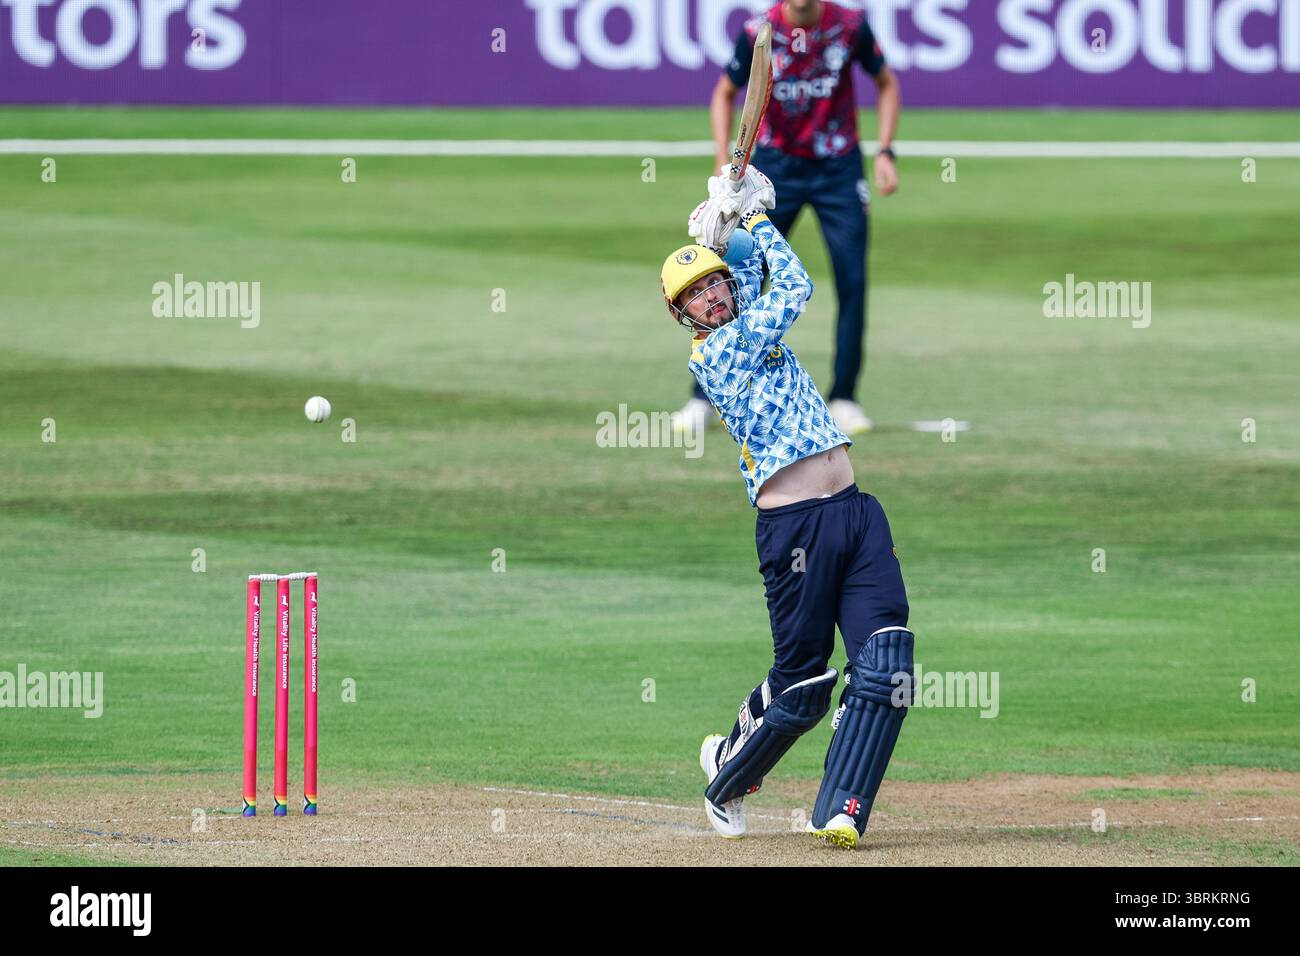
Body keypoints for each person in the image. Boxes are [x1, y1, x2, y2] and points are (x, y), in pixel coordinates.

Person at [661, 166, 915, 849]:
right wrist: (753, 222)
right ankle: (726, 776)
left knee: (888, 665)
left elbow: (749, 269)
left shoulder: (740, 312)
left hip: (856, 512)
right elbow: (795, 284)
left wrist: (728, 213)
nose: (713, 297)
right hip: (795, 529)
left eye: (713, 284)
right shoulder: (720, 353)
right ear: (682, 317)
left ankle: (840, 807)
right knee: (804, 686)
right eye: (696, 296)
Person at [673, 0, 900, 438]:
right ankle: (706, 395)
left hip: (839, 167)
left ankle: (845, 396)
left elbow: (886, 83)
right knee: (739, 275)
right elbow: (725, 92)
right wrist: (726, 162)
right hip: (774, 172)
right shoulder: (759, 30)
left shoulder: (850, 26)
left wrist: (886, 150)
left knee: (851, 281)